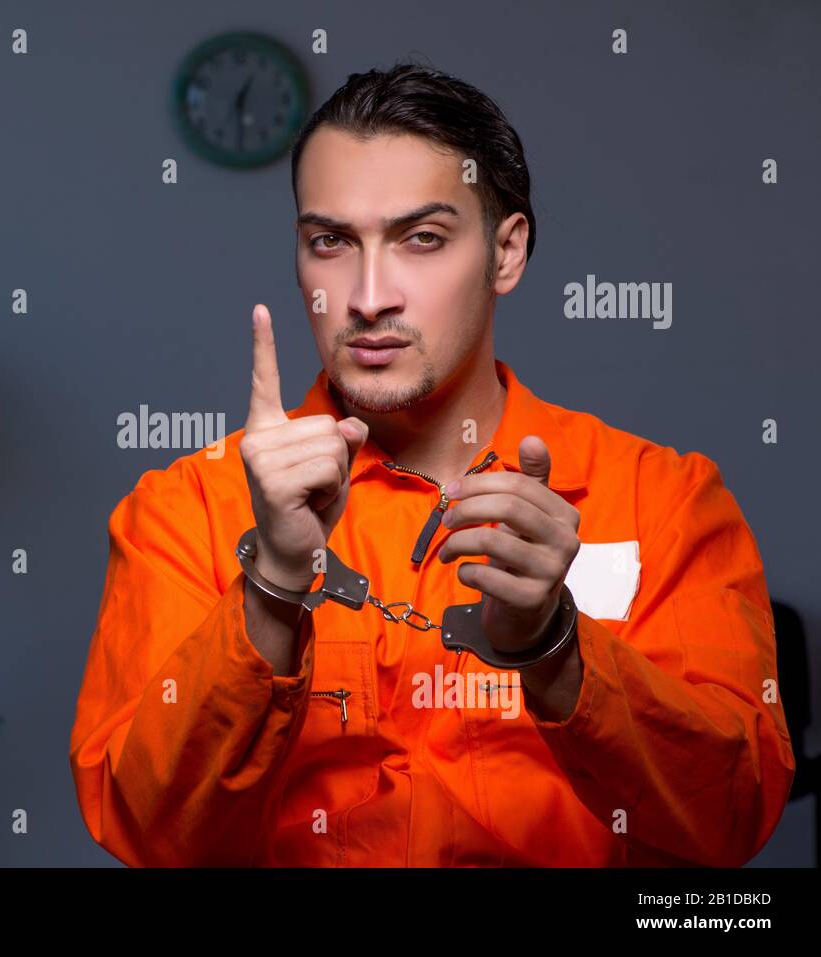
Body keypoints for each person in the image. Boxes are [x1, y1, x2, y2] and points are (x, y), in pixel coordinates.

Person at [68, 63, 794, 866]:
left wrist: (557, 648)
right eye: (332, 241)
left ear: (507, 252)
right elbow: (146, 831)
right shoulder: (187, 507)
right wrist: (272, 585)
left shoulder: (664, 499)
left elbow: (732, 817)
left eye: (422, 238)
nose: (369, 294)